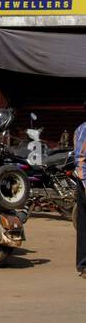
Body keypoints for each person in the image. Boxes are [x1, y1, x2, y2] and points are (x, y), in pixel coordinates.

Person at [73, 112, 86, 277]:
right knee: (84, 226)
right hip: (84, 183)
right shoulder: (84, 129)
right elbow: (80, 159)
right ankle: (83, 265)